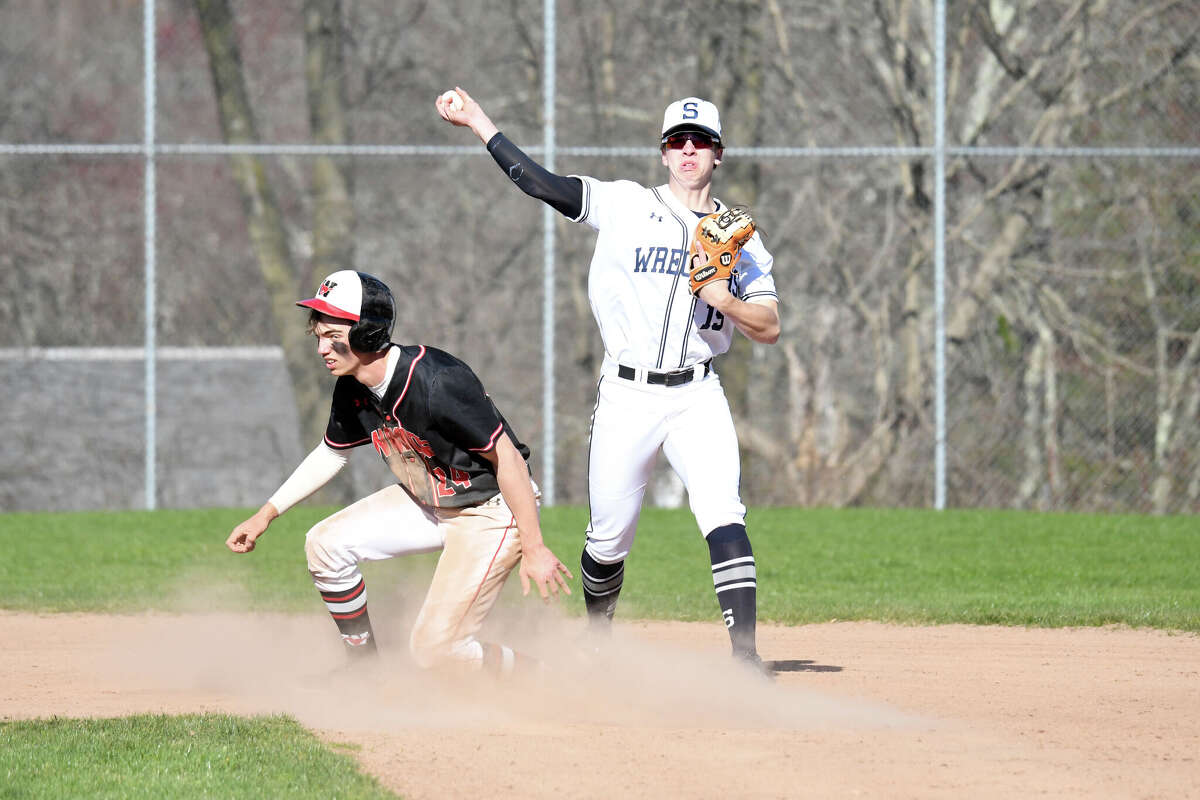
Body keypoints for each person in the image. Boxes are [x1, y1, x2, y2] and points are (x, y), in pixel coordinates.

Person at [435, 88, 780, 673]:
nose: (689, 150)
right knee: (607, 541)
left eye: (701, 141)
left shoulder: (740, 242)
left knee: (724, 513)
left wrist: (725, 295)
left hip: (698, 393)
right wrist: (477, 121)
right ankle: (598, 640)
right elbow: (537, 181)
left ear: (718, 153)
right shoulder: (623, 204)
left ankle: (745, 658)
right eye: (678, 141)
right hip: (627, 394)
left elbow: (769, 327)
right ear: (663, 153)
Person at [226, 269, 572, 677]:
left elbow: (509, 460)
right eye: (318, 335)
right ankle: (366, 673)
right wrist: (266, 514)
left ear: (369, 334)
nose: (322, 347)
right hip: (429, 501)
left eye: (333, 334)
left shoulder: (436, 381)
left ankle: (549, 680)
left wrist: (533, 546)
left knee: (434, 651)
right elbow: (331, 454)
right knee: (324, 545)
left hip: (490, 512)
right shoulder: (352, 386)